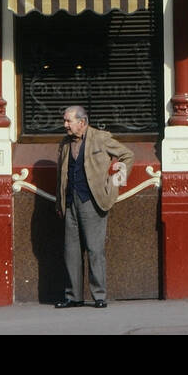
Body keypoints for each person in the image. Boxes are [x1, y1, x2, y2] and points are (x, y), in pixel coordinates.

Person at [55, 105, 135, 308]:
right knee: (70, 251)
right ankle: (73, 297)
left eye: (68, 121)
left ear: (81, 122)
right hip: (71, 201)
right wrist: (60, 202)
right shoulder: (65, 143)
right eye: (65, 121)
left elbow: (127, 155)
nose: (65, 125)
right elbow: (61, 176)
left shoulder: (100, 138)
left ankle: (99, 296)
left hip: (93, 201)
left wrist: (115, 183)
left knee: (94, 250)